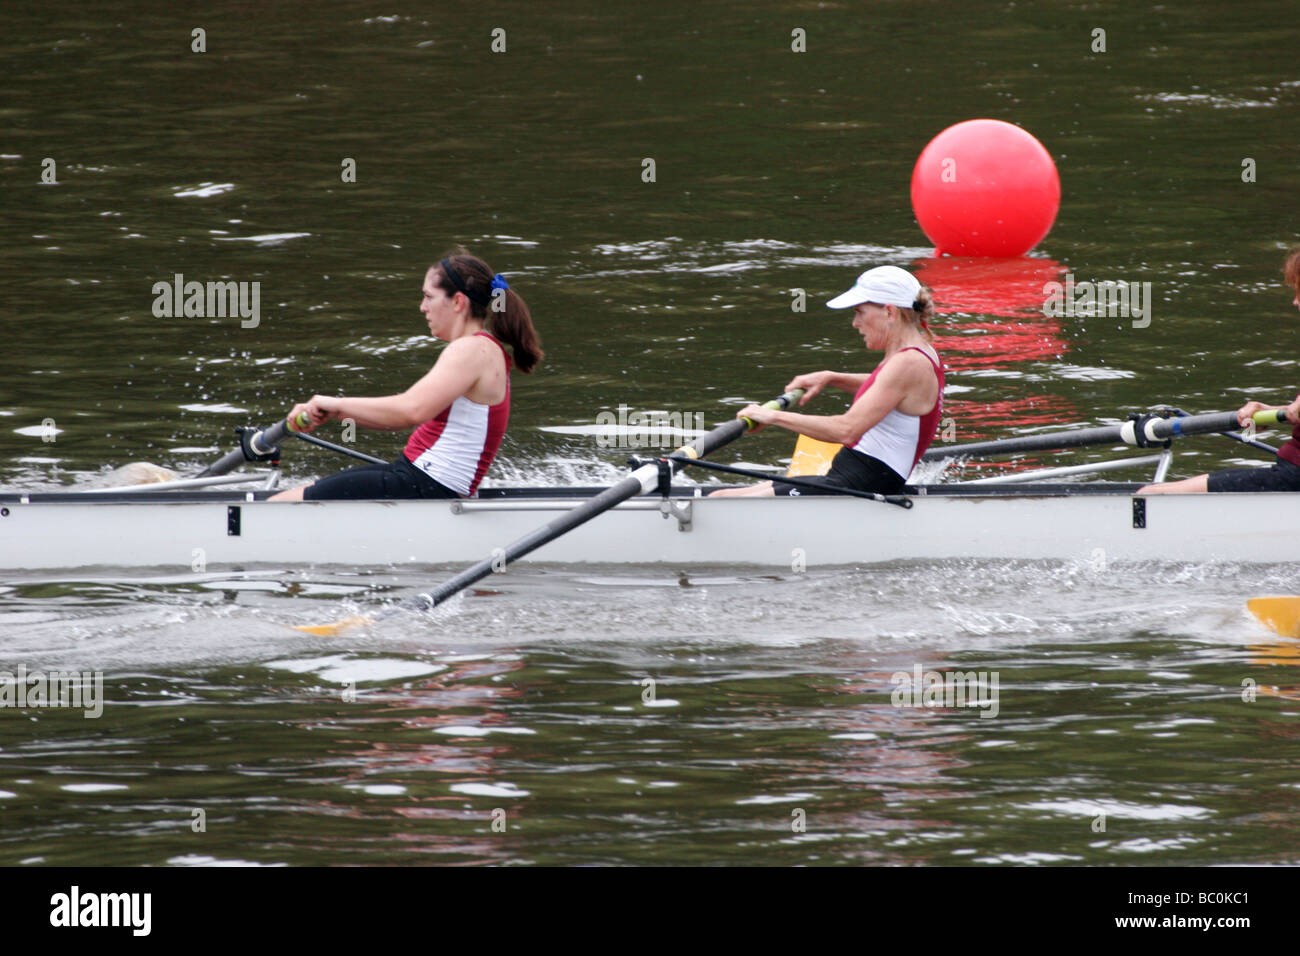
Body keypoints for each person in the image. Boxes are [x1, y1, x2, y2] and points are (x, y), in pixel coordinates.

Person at [269, 250, 542, 501]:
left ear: (458, 301)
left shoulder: (472, 350)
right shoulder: (484, 348)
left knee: (278, 505)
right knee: (305, 493)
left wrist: (335, 403)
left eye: (428, 296)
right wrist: (337, 413)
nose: (422, 307)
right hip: (422, 480)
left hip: (428, 484)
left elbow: (410, 411)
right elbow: (400, 416)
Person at [709, 265, 944, 497]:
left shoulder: (907, 363)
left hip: (858, 489)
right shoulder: (921, 351)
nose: (855, 323)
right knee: (723, 496)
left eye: (859, 312)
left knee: (718, 502)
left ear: (890, 313)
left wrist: (773, 416)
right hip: (853, 480)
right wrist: (832, 378)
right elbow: (888, 389)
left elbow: (846, 430)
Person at [1140, 246, 1300, 494]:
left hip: (1292, 479)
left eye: (1299, 290)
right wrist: (1270, 411)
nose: (1295, 300)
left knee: (1150, 494)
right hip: (1289, 474)